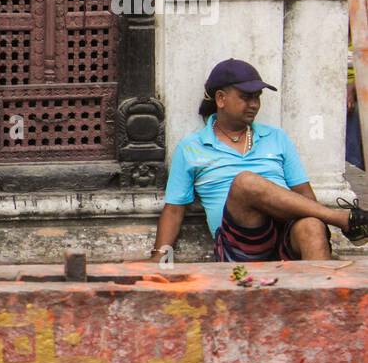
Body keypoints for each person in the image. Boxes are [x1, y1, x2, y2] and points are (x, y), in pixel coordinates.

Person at [150, 58, 366, 262]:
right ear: (220, 99)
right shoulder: (191, 147)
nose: (254, 104)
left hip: (285, 235)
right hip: (240, 245)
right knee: (245, 182)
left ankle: (323, 296)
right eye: (246, 97)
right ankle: (341, 219)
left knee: (311, 225)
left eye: (257, 97)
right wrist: (159, 256)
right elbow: (174, 209)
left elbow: (305, 195)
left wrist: (316, 223)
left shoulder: (276, 137)